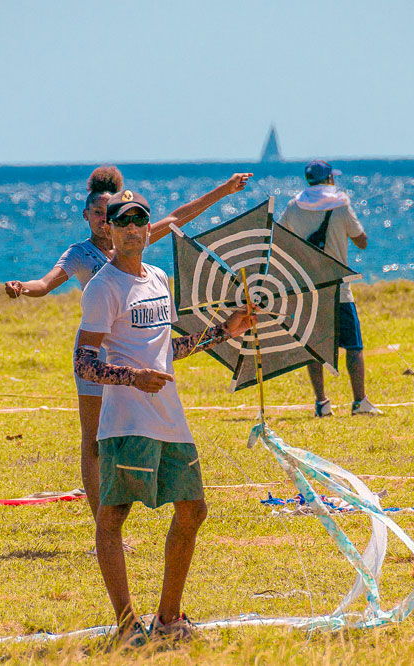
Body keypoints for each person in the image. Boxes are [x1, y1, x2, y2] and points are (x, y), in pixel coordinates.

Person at [4, 168, 252, 522]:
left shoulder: (137, 238)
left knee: (135, 433)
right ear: (89, 217)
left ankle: (125, 509)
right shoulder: (80, 253)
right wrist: (22, 287)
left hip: (138, 353)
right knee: (93, 443)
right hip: (97, 356)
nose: (107, 219)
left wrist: (224, 191)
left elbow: (179, 216)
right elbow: (45, 283)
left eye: (111, 211)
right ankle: (102, 525)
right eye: (98, 213)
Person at [74, 189, 256, 647]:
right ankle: (125, 626)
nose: (133, 229)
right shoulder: (102, 288)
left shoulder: (157, 278)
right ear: (108, 229)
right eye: (123, 221)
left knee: (194, 510)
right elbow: (83, 362)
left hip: (169, 417)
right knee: (113, 517)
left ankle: (168, 619)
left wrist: (222, 331)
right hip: (126, 421)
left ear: (148, 229)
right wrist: (131, 377)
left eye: (140, 221)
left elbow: (166, 351)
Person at [277, 160, 382, 417]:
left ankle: (321, 403)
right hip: (340, 289)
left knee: (314, 347)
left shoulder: (293, 206)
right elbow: (362, 242)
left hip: (308, 289)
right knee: (354, 347)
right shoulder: (341, 205)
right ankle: (360, 402)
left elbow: (278, 238)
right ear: (330, 179)